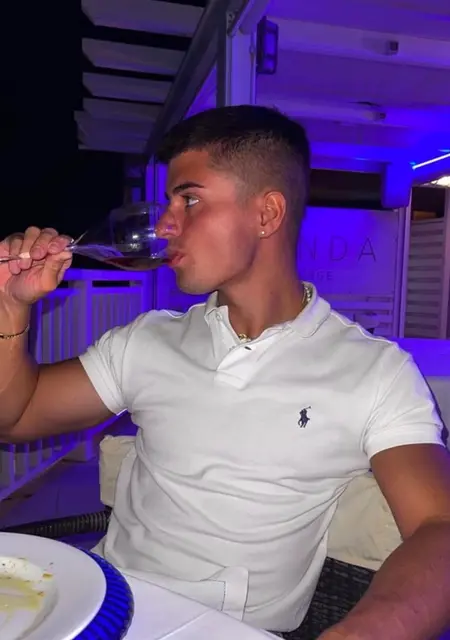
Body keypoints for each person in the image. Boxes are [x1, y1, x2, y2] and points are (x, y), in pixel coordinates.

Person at [0, 106, 450, 640]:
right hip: (109, 606)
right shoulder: (148, 339)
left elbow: (438, 527)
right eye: (168, 203)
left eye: (188, 200)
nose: (164, 225)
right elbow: (18, 417)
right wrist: (10, 307)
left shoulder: (374, 370)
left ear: (267, 214)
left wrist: (368, 631)